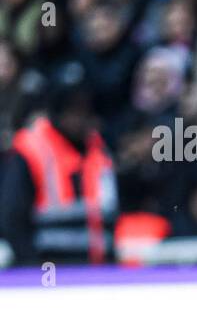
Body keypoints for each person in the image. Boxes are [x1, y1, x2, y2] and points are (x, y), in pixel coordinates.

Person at [0, 78, 118, 265]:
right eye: (74, 110)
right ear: (57, 112)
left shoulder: (100, 150)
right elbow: (12, 219)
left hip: (97, 270)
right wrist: (33, 269)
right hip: (49, 270)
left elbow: (111, 216)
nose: (81, 118)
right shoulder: (32, 149)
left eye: (86, 111)